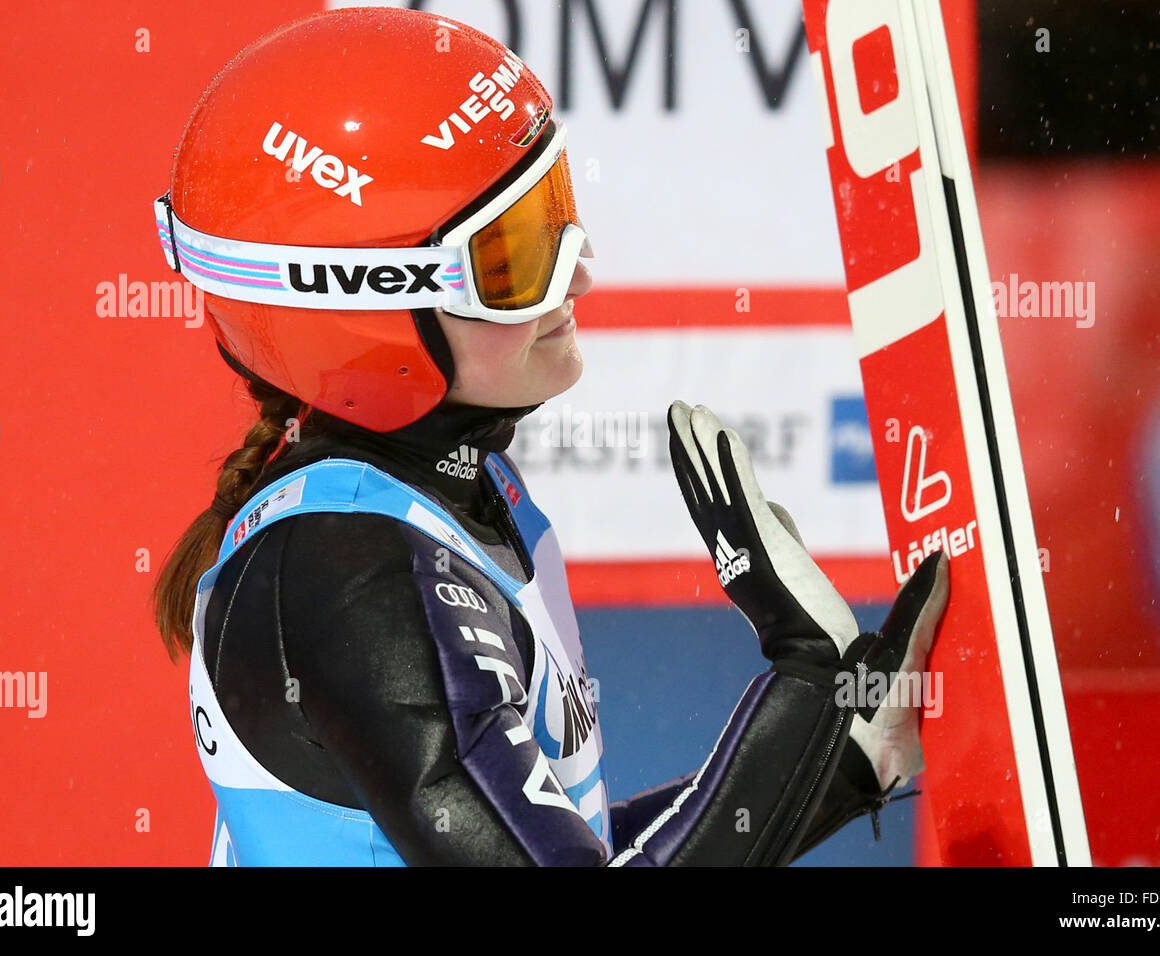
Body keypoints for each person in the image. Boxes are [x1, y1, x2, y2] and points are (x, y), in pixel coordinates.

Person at [151, 6, 949, 867]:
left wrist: (841, 753)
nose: (580, 270)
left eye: (555, 209)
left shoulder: (442, 506)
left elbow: (577, 850)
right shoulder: (353, 578)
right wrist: (808, 684)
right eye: (514, 255)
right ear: (365, 309)